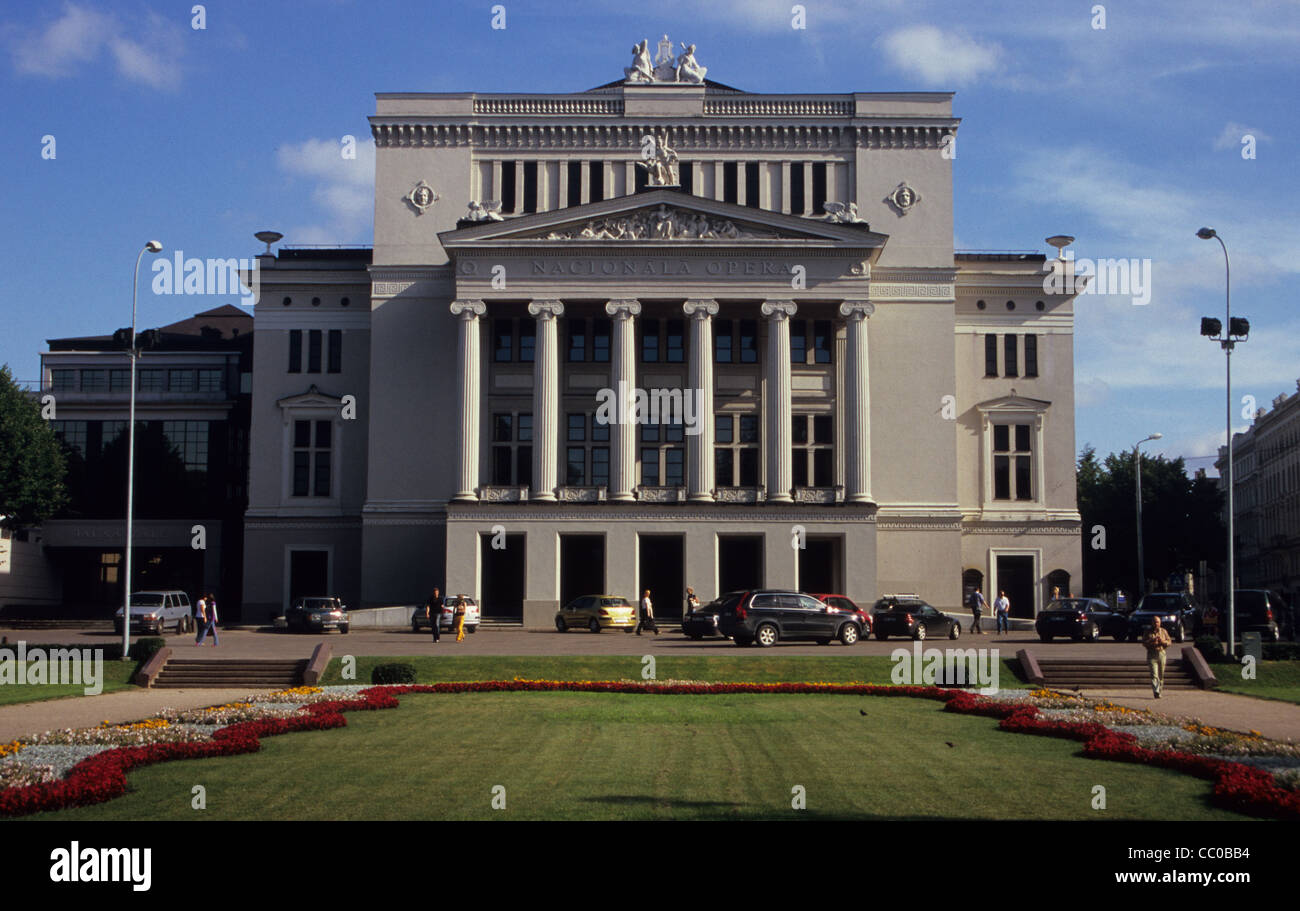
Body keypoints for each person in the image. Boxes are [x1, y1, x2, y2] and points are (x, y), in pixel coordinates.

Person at [1142, 615, 1172, 698]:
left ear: (1160, 623)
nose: (1156, 624)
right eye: (1154, 622)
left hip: (1161, 653)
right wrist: (1151, 641)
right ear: (1152, 623)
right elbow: (1143, 643)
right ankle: (1156, 691)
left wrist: (1163, 642)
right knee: (1154, 674)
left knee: (1161, 675)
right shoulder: (1148, 632)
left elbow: (1169, 641)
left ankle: (1159, 690)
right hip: (1152, 654)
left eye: (1157, 622)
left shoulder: (1163, 631)